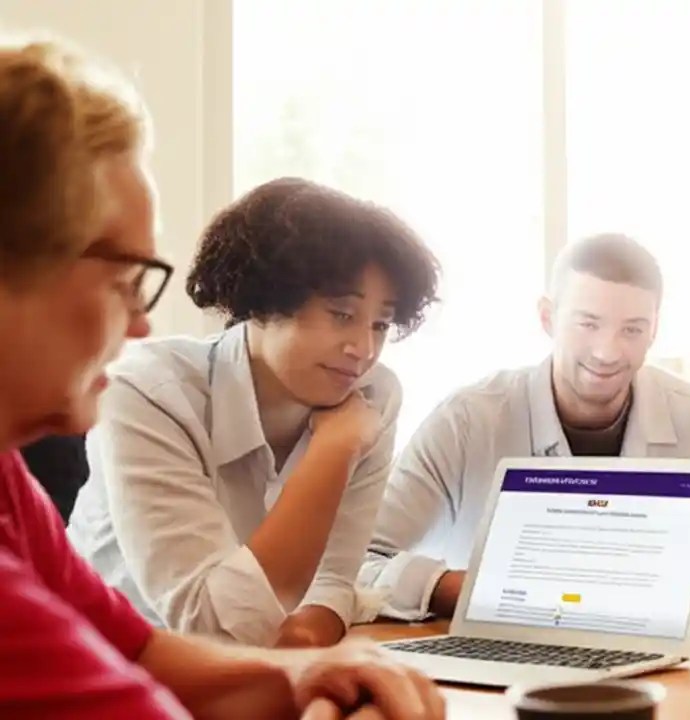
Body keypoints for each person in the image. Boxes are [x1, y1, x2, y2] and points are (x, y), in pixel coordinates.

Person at [0, 34, 443, 718]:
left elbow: (139, 649)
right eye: (125, 279)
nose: (141, 324)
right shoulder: (151, 387)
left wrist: (300, 676)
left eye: (379, 324)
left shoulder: (8, 481)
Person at [67, 176, 441, 649]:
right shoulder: (149, 391)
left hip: (243, 676)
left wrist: (302, 655)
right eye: (341, 315)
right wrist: (334, 448)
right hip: (110, 672)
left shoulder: (374, 396)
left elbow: (333, 581)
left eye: (381, 324)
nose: (363, 349)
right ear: (266, 301)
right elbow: (212, 625)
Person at [359, 233, 690, 630]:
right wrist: (478, 590)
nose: (607, 351)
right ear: (548, 317)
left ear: (654, 328)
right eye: (588, 323)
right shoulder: (466, 421)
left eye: (632, 329)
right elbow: (356, 564)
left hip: (668, 663)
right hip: (496, 651)